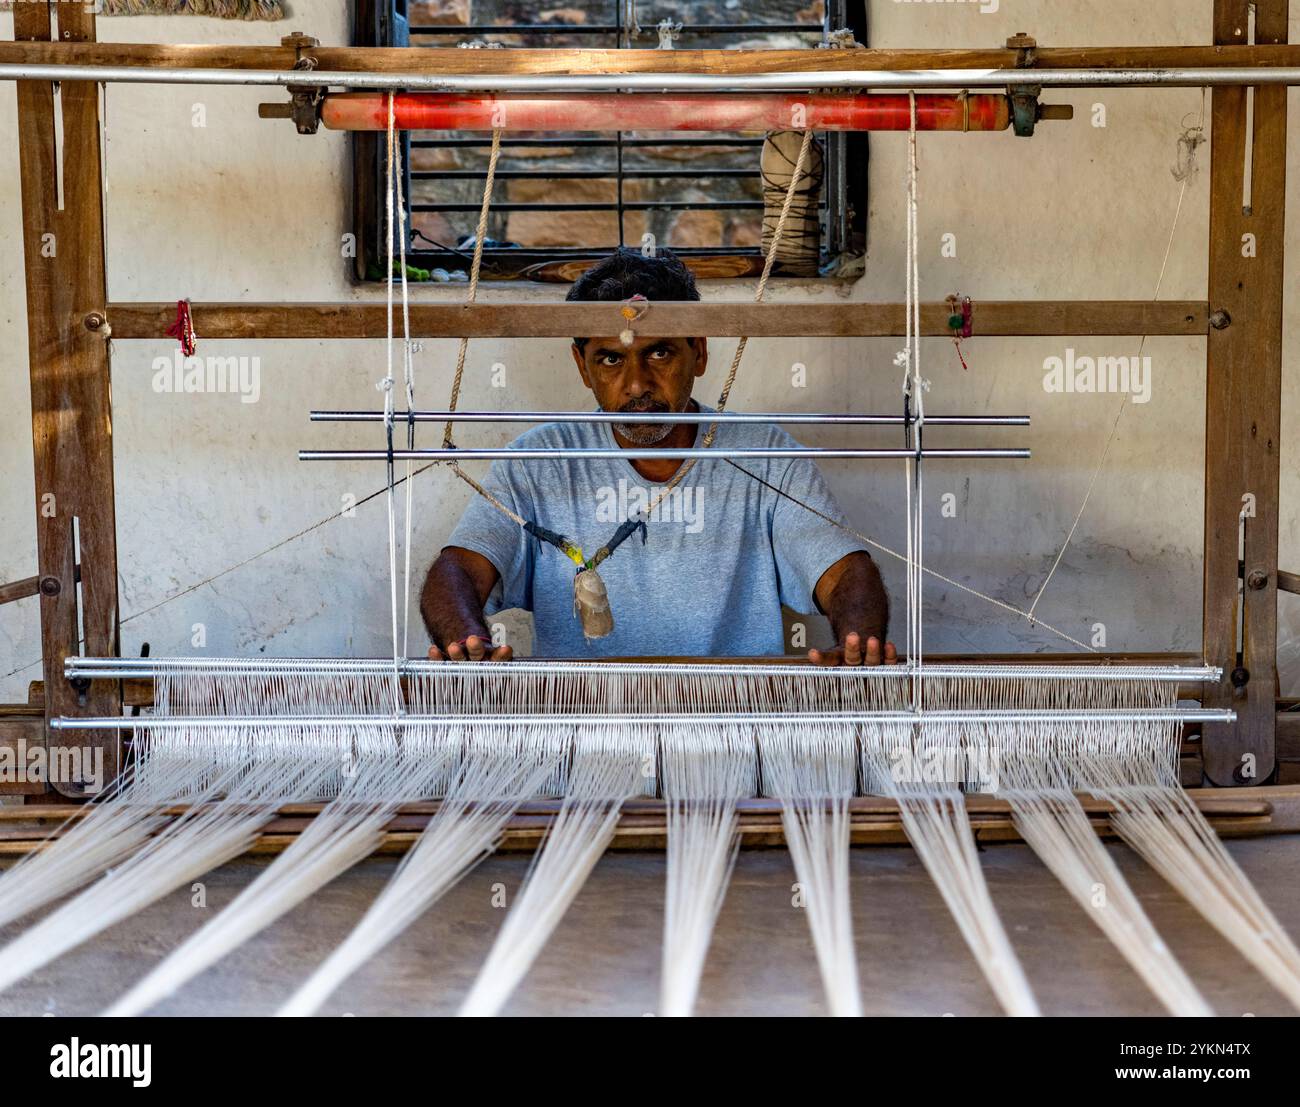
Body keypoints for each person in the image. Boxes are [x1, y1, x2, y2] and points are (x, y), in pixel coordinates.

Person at [421, 247, 895, 666]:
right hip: (586, 725)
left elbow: (845, 573)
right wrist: (465, 639)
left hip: (732, 722)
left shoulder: (767, 456)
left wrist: (858, 640)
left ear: (700, 353)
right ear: (581, 366)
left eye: (661, 353)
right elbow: (459, 569)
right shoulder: (537, 464)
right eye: (611, 359)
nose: (637, 384)